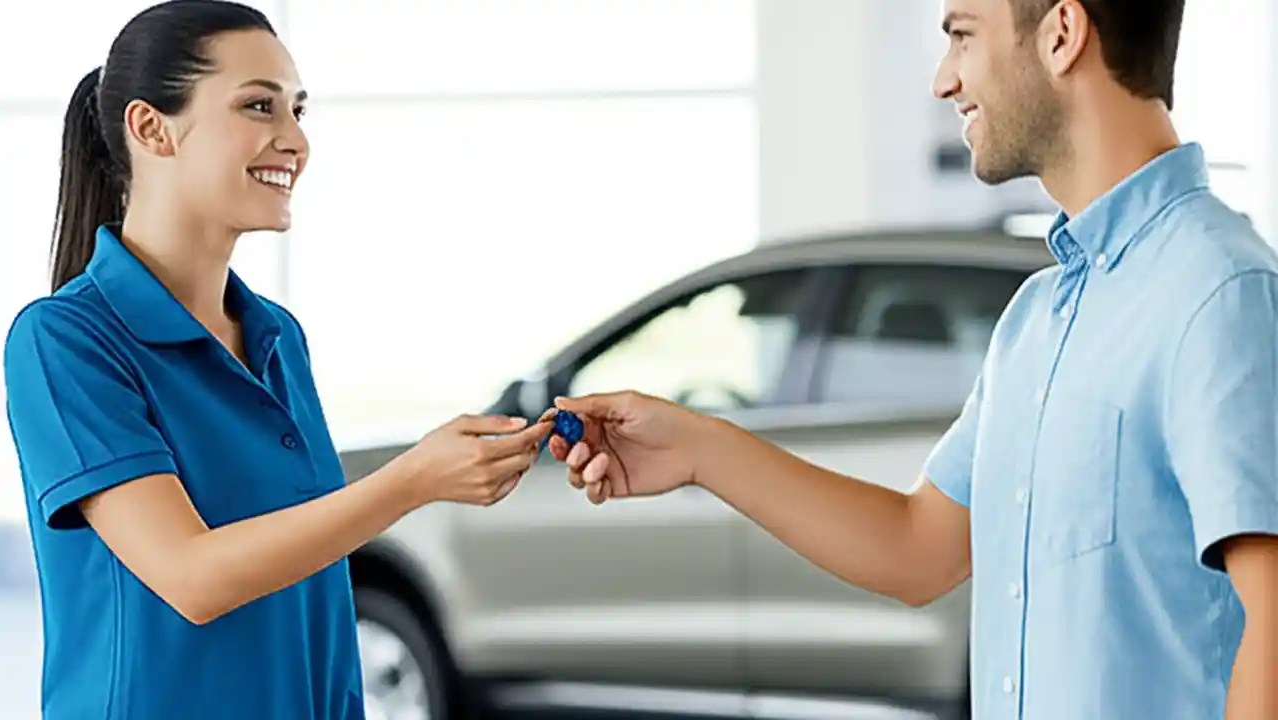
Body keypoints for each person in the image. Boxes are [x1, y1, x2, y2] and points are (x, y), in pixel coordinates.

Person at [548, 0, 1278, 718]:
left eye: (962, 36)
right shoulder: (1035, 319)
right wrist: (697, 447)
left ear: (1061, 34)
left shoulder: (1221, 292)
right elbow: (918, 547)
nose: (942, 80)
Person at [2, 2, 551, 718]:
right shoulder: (64, 342)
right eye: (259, 107)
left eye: (297, 110)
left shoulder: (276, 337)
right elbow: (192, 576)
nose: (294, 140)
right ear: (151, 128)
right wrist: (413, 480)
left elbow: (314, 594)